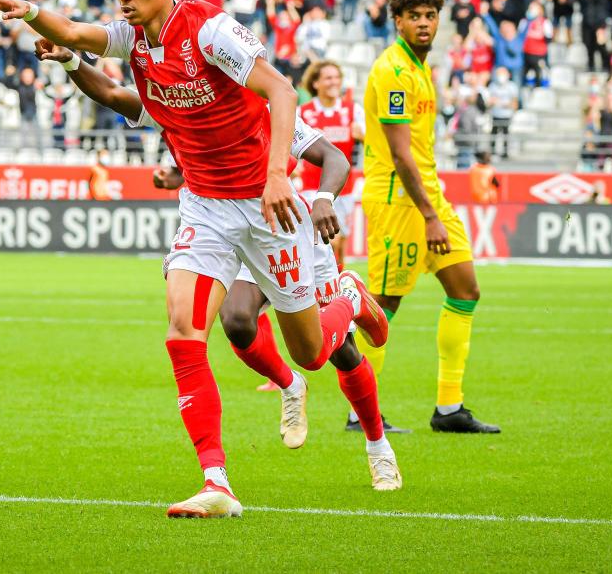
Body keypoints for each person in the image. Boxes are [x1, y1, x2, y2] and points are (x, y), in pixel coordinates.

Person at [0, 0, 390, 517]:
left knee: (312, 354)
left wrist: (279, 176)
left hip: (269, 209)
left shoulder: (208, 29)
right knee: (183, 328)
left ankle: (345, 299)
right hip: (206, 210)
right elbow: (78, 40)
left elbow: (282, 89)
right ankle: (216, 481)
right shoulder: (137, 46)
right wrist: (28, 15)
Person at [36, 36, 401, 478]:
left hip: (285, 228)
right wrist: (72, 59)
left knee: (331, 350)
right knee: (237, 320)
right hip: (224, 228)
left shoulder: (260, 109)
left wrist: (324, 197)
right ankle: (286, 388)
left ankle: (376, 438)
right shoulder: (180, 102)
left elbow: (333, 156)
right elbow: (113, 95)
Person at [360, 0, 501, 434]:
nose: (423, 23)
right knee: (384, 304)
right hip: (397, 198)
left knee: (465, 288)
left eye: (430, 15)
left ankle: (448, 408)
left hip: (427, 193)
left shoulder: (421, 69)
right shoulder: (394, 72)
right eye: (414, 16)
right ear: (397, 21)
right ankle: (359, 409)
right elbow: (401, 154)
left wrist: (433, 206)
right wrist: (430, 215)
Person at [297, 60, 363, 273]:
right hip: (312, 189)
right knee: (327, 242)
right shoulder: (303, 113)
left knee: (340, 244)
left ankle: (337, 290)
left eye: (337, 77)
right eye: (328, 78)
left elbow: (374, 141)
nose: (334, 82)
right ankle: (323, 291)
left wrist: (362, 135)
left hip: (344, 189)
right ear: (316, 83)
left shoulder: (353, 110)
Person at [485, 67, 518, 159]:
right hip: (495, 114)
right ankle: (492, 152)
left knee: (506, 134)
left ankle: (505, 153)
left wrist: (503, 104)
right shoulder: (493, 86)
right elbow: (490, 101)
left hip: (507, 115)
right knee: (493, 134)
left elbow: (514, 103)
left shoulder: (512, 86)